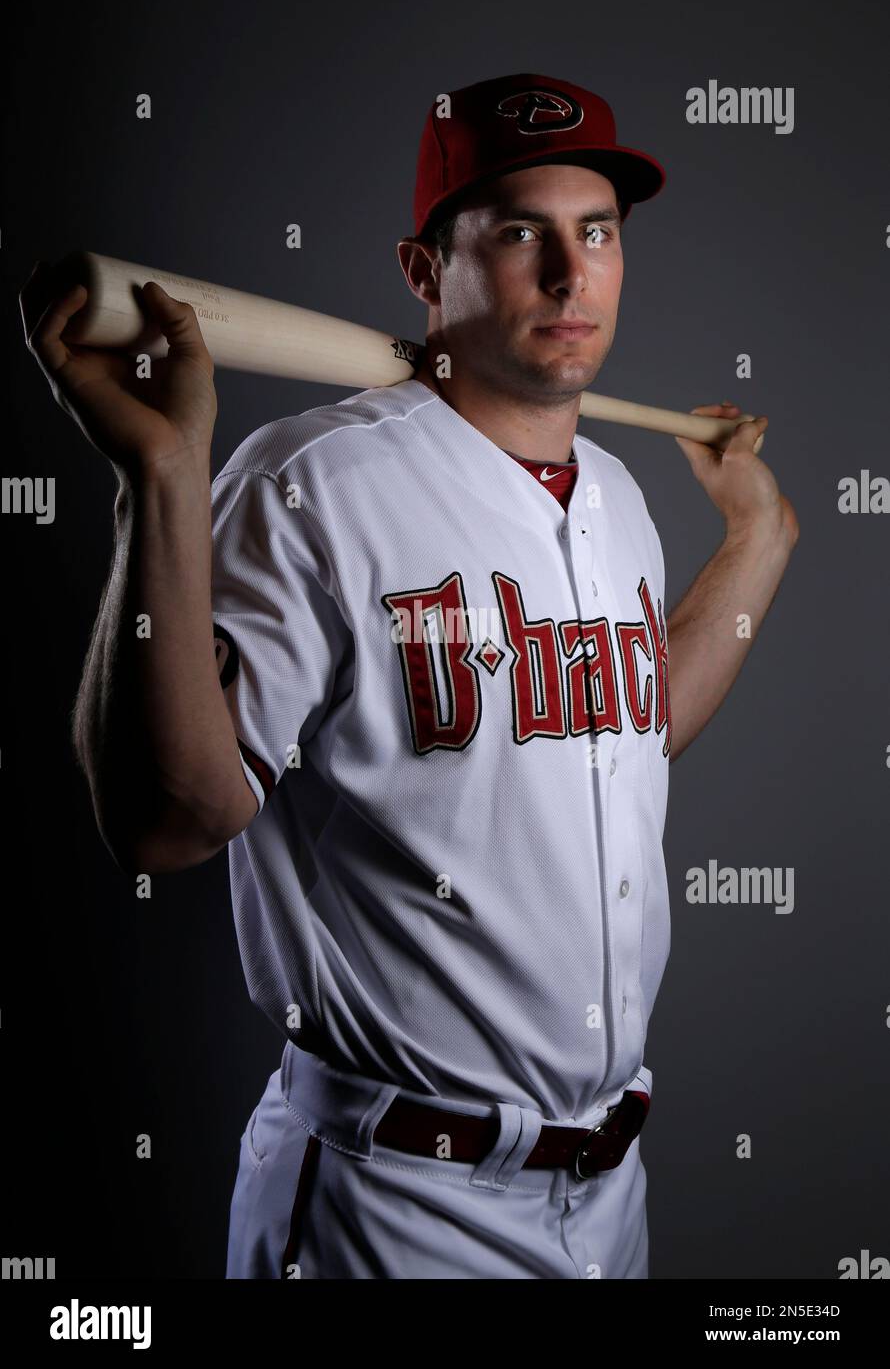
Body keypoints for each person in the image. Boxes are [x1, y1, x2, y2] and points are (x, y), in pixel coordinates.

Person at [19, 72, 798, 1279]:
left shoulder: (620, 498)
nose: (566, 273)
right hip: (392, 1203)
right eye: (516, 233)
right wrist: (163, 481)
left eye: (594, 233)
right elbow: (167, 822)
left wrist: (757, 540)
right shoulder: (312, 484)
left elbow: (617, 747)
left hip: (608, 1196)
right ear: (424, 272)